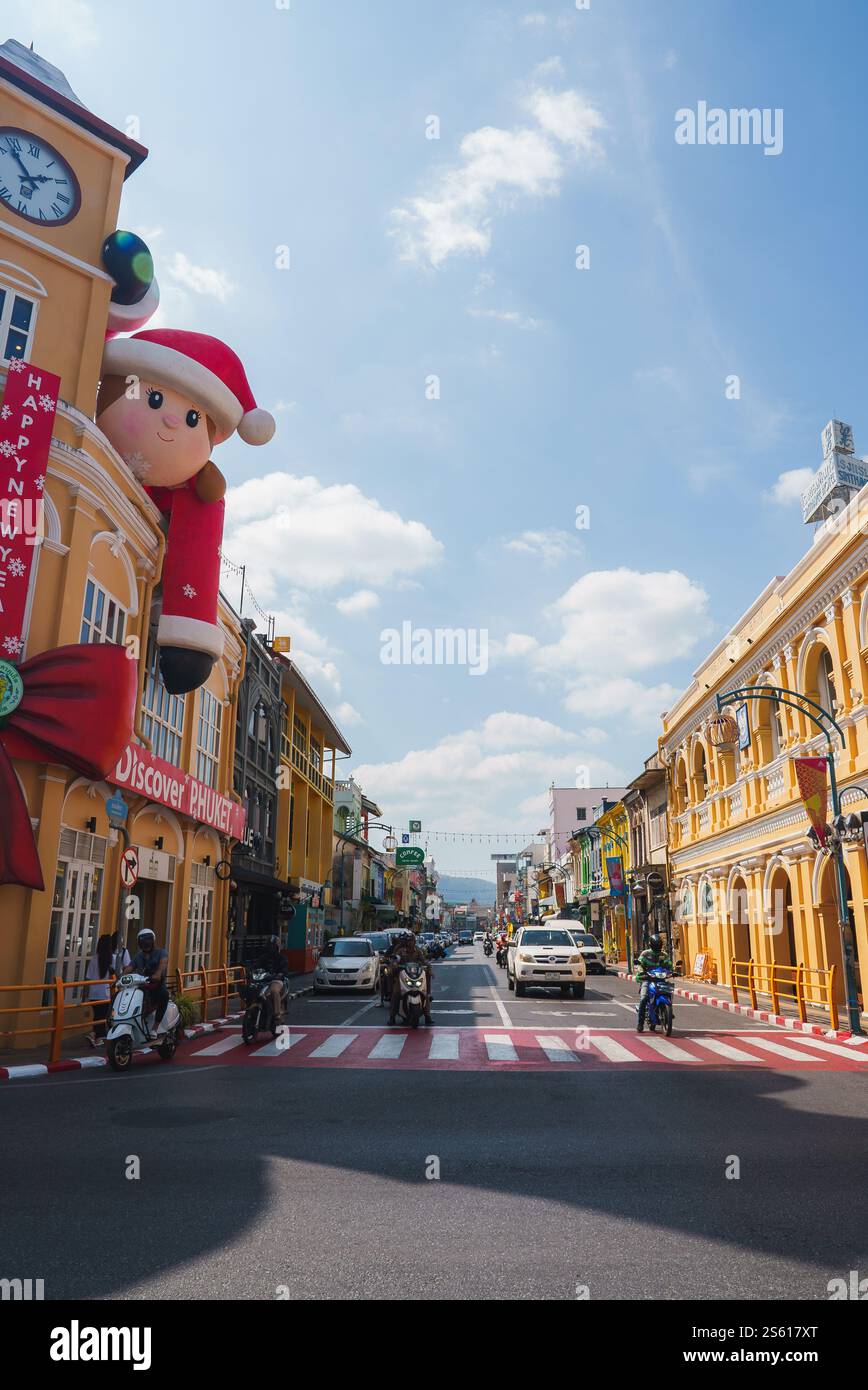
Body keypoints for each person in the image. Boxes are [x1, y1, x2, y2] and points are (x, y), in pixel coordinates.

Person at [85, 931, 130, 1047]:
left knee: (98, 1015)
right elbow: (119, 972)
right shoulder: (113, 959)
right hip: (105, 992)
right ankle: (95, 1035)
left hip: (93, 992)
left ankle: (96, 1036)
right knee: (103, 1016)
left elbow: (88, 977)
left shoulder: (94, 958)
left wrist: (84, 993)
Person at [388, 931, 433, 1026]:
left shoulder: (418, 951)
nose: (411, 943)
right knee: (396, 994)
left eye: (412, 941)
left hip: (416, 977)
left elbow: (424, 960)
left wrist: (429, 967)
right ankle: (392, 1018)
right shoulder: (401, 951)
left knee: (425, 994)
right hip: (403, 977)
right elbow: (395, 959)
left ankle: (428, 1017)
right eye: (409, 941)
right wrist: (395, 964)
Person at [129, 928, 170, 1032]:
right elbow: (130, 967)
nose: (145, 944)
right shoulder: (138, 956)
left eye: (147, 941)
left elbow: (163, 964)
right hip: (141, 987)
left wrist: (158, 974)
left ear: (152, 941)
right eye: (142, 942)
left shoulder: (161, 952)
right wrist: (120, 977)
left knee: (164, 995)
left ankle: (155, 1028)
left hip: (156, 986)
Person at [634, 932, 673, 1032]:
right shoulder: (645, 954)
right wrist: (641, 972)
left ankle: (668, 1011)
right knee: (643, 999)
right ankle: (640, 1023)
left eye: (659, 945)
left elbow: (669, 965)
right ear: (651, 945)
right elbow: (639, 965)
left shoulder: (664, 955)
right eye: (656, 945)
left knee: (669, 993)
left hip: (660, 979)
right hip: (648, 979)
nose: (657, 947)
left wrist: (673, 971)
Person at [256, 935, 288, 1028]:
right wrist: (249, 970)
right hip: (264, 980)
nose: (271, 948)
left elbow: (285, 969)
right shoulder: (263, 957)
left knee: (274, 991)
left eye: (273, 946)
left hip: (276, 981)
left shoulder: (282, 958)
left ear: (277, 947)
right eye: (269, 946)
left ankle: (277, 1014)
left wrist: (281, 974)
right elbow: (256, 965)